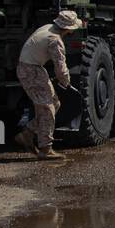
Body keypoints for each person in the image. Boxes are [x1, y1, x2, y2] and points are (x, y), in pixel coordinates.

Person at [14, 10, 83, 159]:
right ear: (69, 28)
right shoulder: (55, 40)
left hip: (32, 68)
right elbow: (60, 68)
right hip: (31, 70)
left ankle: (28, 133)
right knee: (47, 108)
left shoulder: (47, 27)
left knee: (54, 103)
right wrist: (67, 83)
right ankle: (45, 149)